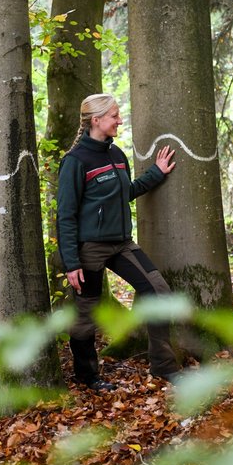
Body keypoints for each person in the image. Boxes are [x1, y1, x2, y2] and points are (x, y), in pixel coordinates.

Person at [57, 93, 182, 391]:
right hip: (90, 249)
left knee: (159, 291)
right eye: (114, 115)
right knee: (86, 314)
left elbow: (124, 192)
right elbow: (66, 215)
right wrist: (71, 263)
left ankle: (163, 365)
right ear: (96, 120)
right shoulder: (75, 161)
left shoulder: (117, 155)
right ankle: (88, 377)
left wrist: (156, 173)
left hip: (122, 244)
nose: (119, 120)